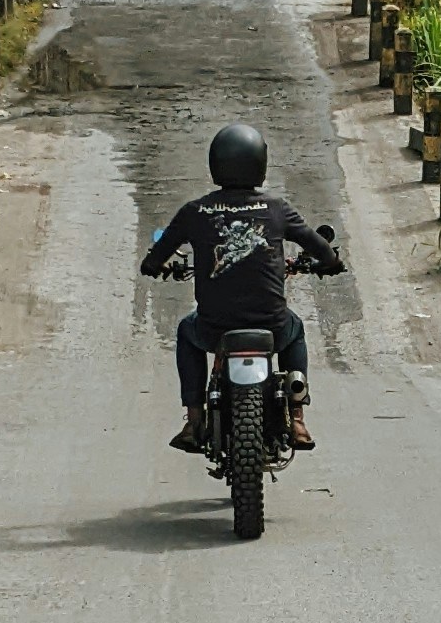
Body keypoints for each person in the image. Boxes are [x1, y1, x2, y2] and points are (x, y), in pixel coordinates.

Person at [142, 122, 342, 453]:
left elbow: (154, 259)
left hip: (213, 328)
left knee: (185, 331)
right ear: (260, 163)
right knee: (296, 327)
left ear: (215, 163)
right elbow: (320, 247)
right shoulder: (278, 209)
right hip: (272, 327)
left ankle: (193, 420)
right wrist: (331, 262)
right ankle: (298, 417)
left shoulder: (195, 211)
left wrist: (158, 266)